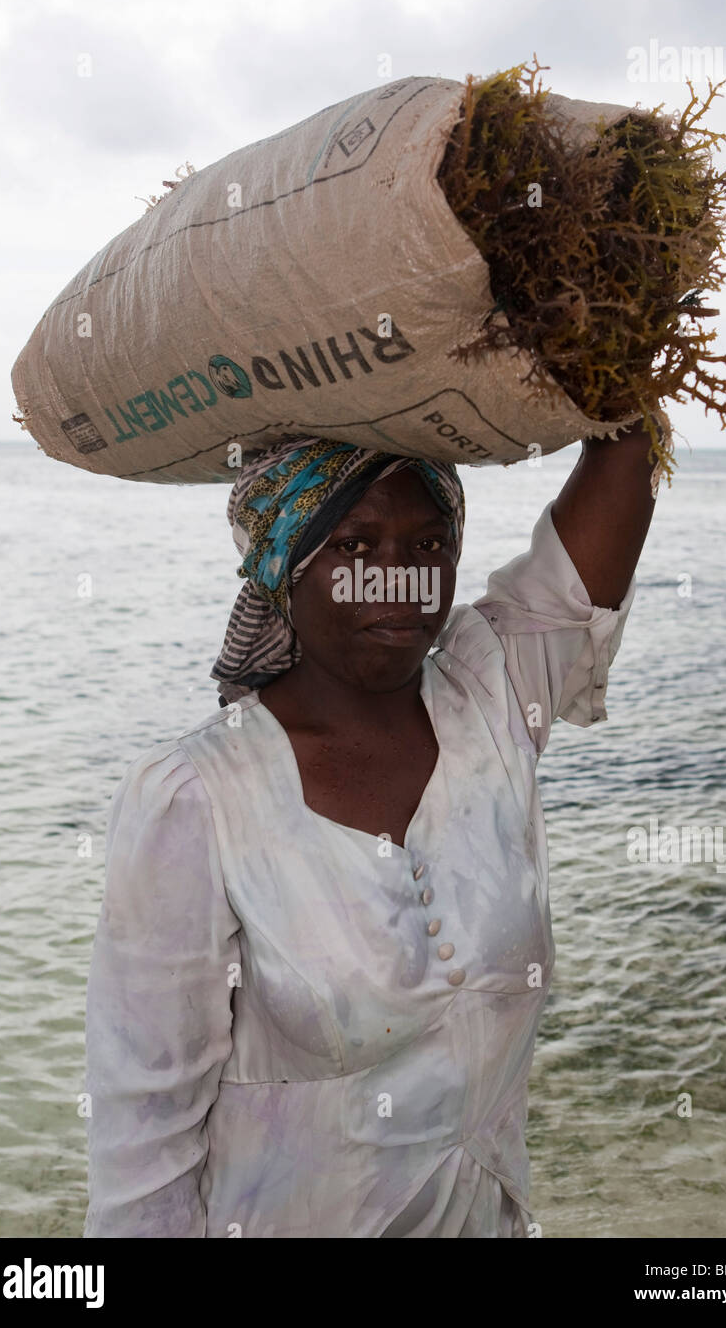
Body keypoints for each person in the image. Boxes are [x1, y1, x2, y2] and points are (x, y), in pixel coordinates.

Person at [83, 415, 669, 1238]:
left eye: (429, 547)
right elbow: (144, 1140)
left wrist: (619, 349)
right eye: (355, 547)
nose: (398, 579)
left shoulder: (488, 702)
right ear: (285, 565)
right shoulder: (199, 800)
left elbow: (606, 506)